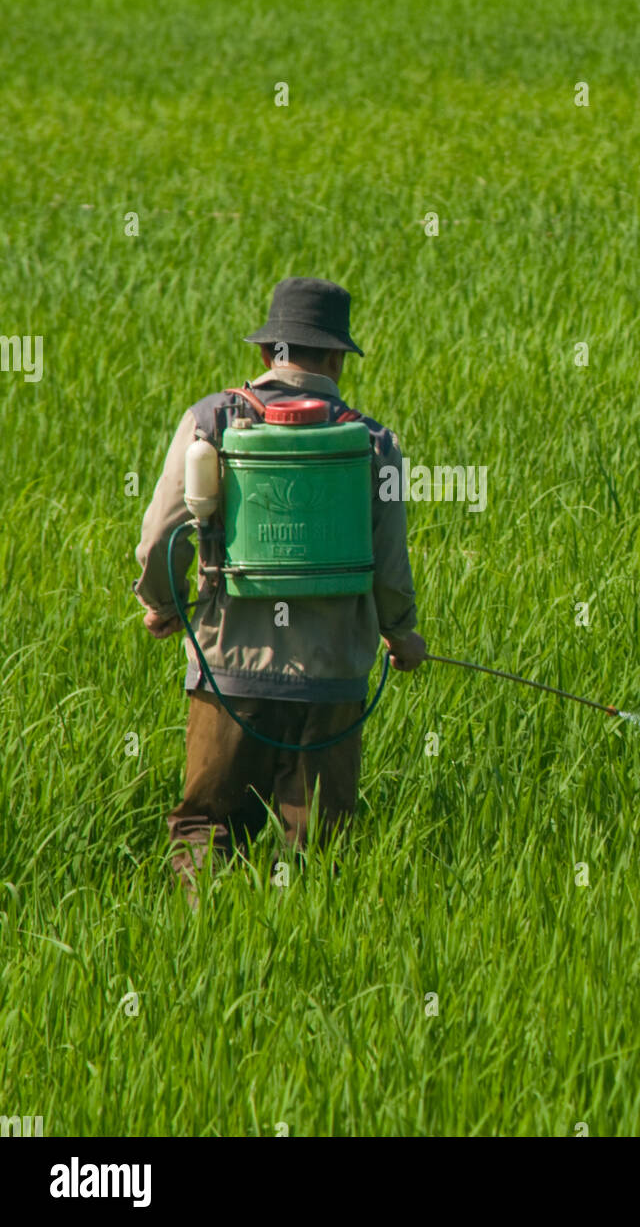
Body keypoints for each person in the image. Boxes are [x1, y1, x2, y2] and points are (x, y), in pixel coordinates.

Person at [133, 277, 426, 888]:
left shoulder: (210, 421)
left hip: (228, 672)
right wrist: (401, 638)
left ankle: (201, 956)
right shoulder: (375, 444)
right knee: (317, 854)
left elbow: (163, 537)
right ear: (338, 358)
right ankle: (307, 969)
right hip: (332, 683)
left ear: (269, 353)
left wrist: (164, 605)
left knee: (207, 833)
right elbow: (390, 566)